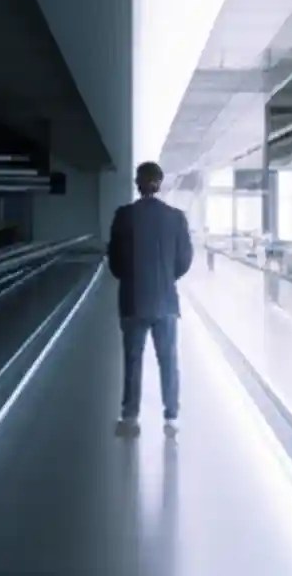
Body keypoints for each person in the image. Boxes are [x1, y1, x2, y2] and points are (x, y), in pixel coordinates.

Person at [107, 161, 193, 437]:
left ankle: (130, 417)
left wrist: (131, 278)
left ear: (137, 183)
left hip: (132, 301)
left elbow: (115, 262)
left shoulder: (123, 216)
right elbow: (184, 260)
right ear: (160, 183)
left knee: (133, 360)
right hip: (166, 301)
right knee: (168, 360)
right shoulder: (176, 218)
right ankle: (171, 417)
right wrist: (167, 277)